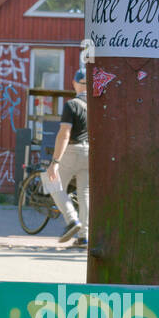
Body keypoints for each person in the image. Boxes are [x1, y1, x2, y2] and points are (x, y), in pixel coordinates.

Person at [46, 68, 89, 246]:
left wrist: (55, 162)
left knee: (52, 183)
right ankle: (84, 236)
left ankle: (72, 220)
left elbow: (64, 133)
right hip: (90, 153)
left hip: (72, 151)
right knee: (84, 193)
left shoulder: (71, 105)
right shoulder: (96, 106)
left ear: (75, 83)